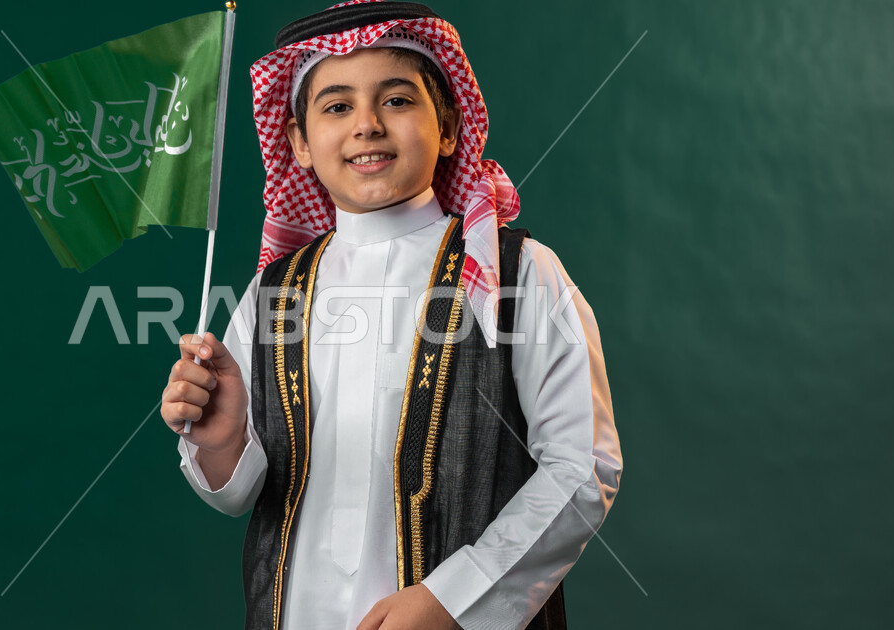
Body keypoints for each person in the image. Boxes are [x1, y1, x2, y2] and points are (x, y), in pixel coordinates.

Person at [160, 2, 622, 628]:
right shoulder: (274, 290)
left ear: (450, 126)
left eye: (398, 100)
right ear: (298, 142)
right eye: (336, 106)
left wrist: (454, 599)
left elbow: (580, 466)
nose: (367, 125)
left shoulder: (515, 272)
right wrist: (221, 442)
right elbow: (241, 491)